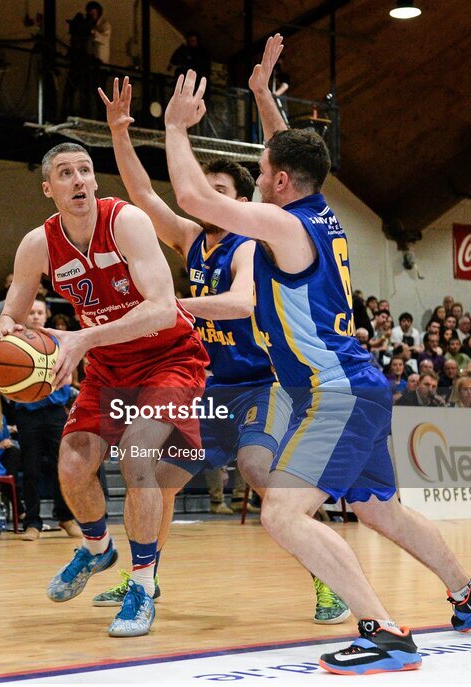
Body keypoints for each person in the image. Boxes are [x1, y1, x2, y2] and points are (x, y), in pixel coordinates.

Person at [162, 36, 471, 672]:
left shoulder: (285, 225)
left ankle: (382, 633)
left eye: (262, 174)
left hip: (334, 392)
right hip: (360, 383)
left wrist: (176, 130)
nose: (257, 179)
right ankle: (470, 592)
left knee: (284, 514)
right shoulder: (318, 211)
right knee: (380, 509)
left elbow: (195, 201)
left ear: (281, 183)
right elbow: (287, 154)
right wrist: (264, 98)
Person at [95, 76, 345, 622]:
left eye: (223, 192)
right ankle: (144, 580)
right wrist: (119, 131)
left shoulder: (249, 246)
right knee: (160, 480)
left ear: (236, 202)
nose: (212, 199)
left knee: (260, 473)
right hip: (210, 392)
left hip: (260, 385)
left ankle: (330, 582)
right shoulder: (191, 239)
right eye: (208, 190)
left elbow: (236, 304)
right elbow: (142, 196)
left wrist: (174, 305)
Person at [0, 140, 209, 638]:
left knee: (138, 458)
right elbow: (12, 311)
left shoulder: (127, 221)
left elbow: (160, 307)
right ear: (49, 189)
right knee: (71, 463)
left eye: (85, 171)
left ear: (95, 180)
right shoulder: (38, 244)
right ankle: (96, 548)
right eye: (65, 174)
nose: (79, 181)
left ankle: (141, 583)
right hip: (109, 368)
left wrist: (82, 339)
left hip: (168, 359)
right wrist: (7, 335)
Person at [11, 299, 78, 542]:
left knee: (64, 466)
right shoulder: (16, 341)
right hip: (27, 412)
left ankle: (66, 516)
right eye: (32, 312)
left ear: (46, 315)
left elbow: (68, 378)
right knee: (31, 469)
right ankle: (33, 523)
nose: (36, 316)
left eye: (40, 312)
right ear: (25, 316)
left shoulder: (56, 341)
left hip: (54, 412)